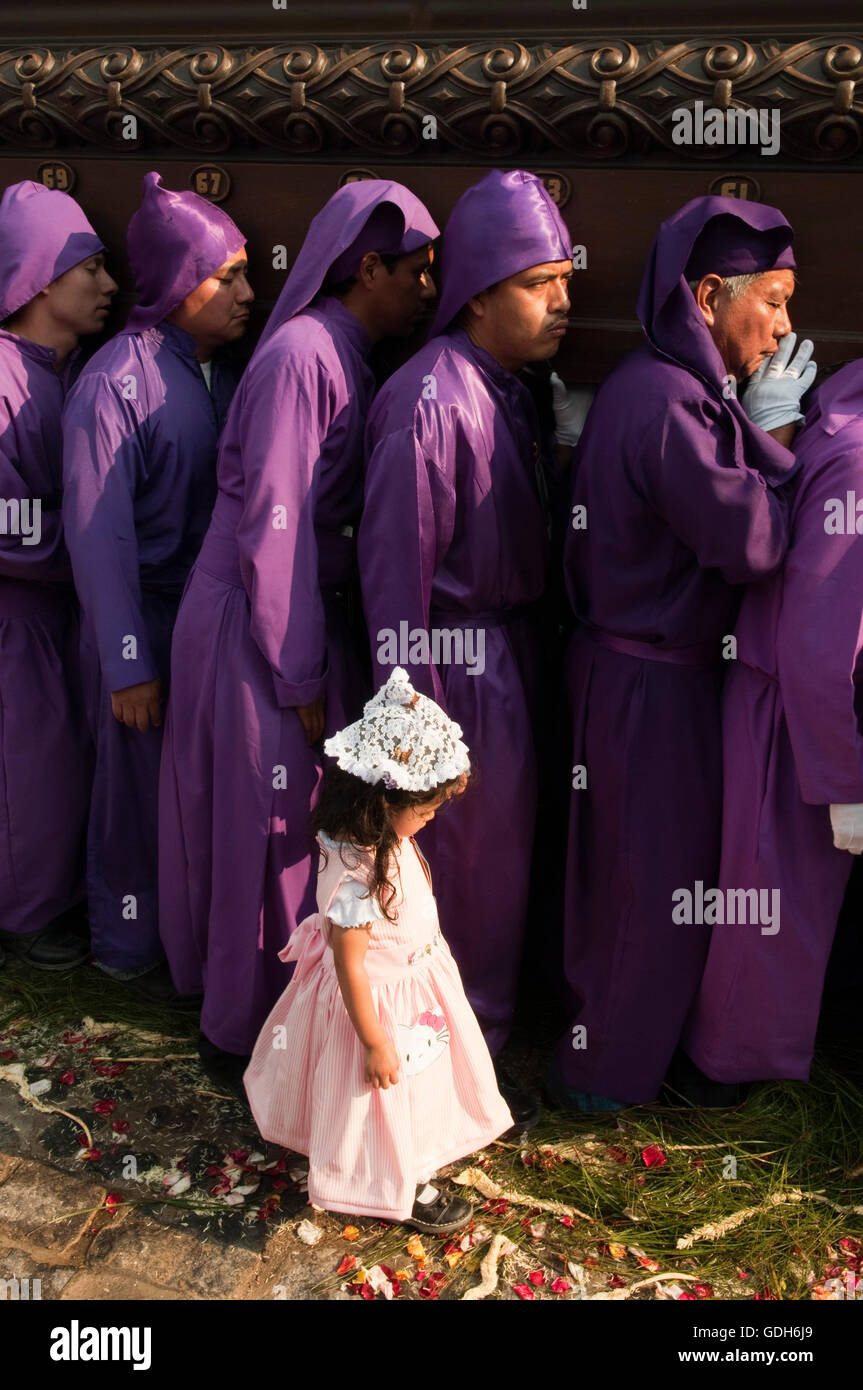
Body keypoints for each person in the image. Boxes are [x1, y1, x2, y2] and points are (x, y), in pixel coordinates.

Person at [158, 180, 439, 1089]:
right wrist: (300, 671)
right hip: (258, 616)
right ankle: (239, 1033)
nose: (428, 291)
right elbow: (270, 527)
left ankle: (276, 1021)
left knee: (281, 822)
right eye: (417, 273)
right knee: (263, 827)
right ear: (368, 268)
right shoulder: (303, 357)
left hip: (285, 613)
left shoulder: (345, 351)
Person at [550, 195, 817, 1112]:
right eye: (772, 302)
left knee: (638, 880)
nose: (783, 327)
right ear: (708, 294)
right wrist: (775, 438)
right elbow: (751, 547)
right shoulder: (671, 402)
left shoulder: (668, 385)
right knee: (645, 889)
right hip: (648, 686)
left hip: (635, 675)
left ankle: (613, 1065)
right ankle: (603, 1088)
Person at [359, 169, 575, 1121]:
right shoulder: (428, 403)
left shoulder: (512, 387)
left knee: (508, 865)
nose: (564, 302)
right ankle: (448, 1067)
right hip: (456, 671)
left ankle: (478, 1046)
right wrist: (405, 733)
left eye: (565, 279)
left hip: (514, 656)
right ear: (481, 289)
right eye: (540, 283)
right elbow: (394, 580)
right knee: (472, 873)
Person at [61, 172, 251, 1001]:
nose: (249, 292)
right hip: (137, 616)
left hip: (203, 619)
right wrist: (127, 662)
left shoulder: (222, 371)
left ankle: (186, 946)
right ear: (177, 285)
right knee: (133, 792)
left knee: (193, 791)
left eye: (247, 272)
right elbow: (99, 537)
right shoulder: (116, 383)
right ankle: (125, 948)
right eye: (227, 277)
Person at [244, 667, 512, 1232]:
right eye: (427, 809)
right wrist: (373, 1040)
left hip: (412, 988)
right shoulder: (356, 881)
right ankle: (400, 1181)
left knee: (416, 1086)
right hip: (378, 1005)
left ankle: (407, 1151)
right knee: (382, 1092)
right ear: (382, 800)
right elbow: (350, 966)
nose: (431, 819)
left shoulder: (381, 839)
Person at [683, 357, 863, 1085]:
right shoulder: (858, 464)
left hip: (799, 705)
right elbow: (819, 642)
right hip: (801, 714)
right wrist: (840, 780)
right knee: (773, 898)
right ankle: (730, 1072)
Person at [0, 180, 117, 971]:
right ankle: (26, 917)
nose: (110, 287)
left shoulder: (64, 370)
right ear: (42, 279)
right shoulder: (4, 382)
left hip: (55, 610)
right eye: (92, 273)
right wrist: (87, 549)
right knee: (28, 766)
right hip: (16, 614)